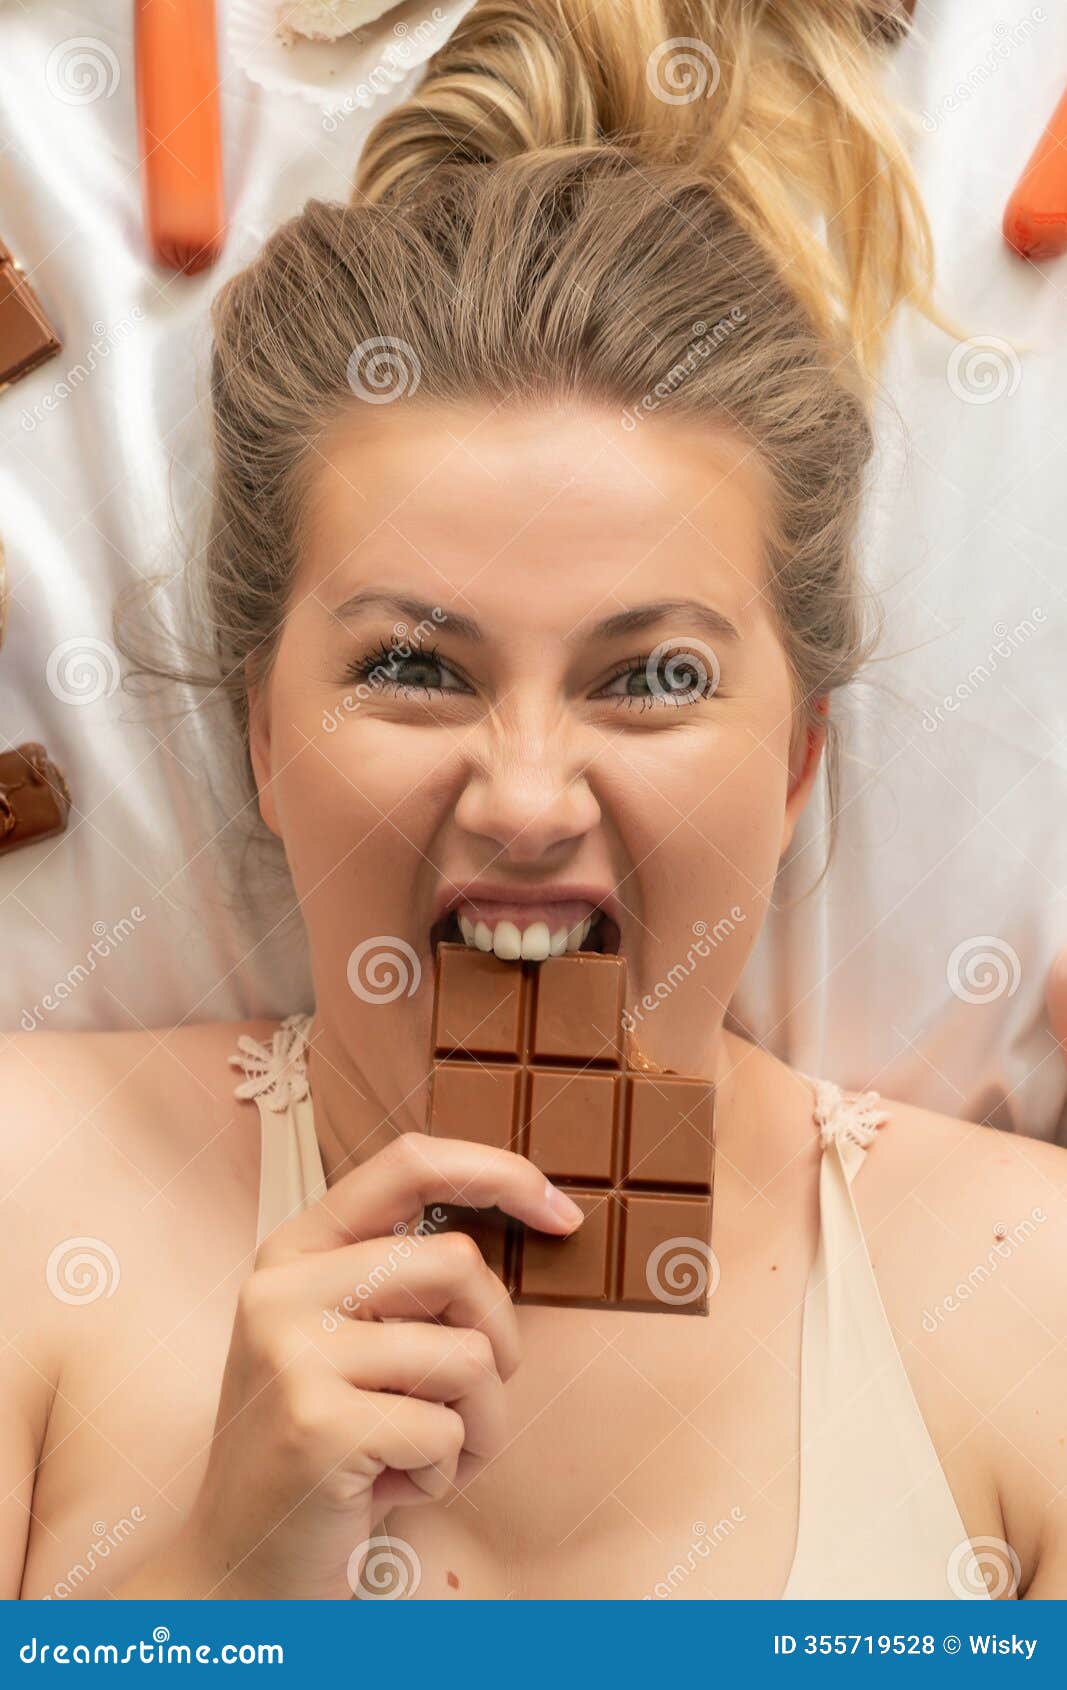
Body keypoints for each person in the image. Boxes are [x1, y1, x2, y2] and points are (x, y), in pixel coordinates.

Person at [3, 0, 1064, 1601]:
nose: (523, 796)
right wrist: (221, 1585)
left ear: (798, 762)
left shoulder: (1028, 1296)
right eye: (415, 666)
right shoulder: (26, 1199)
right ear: (263, 737)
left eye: (653, 676)